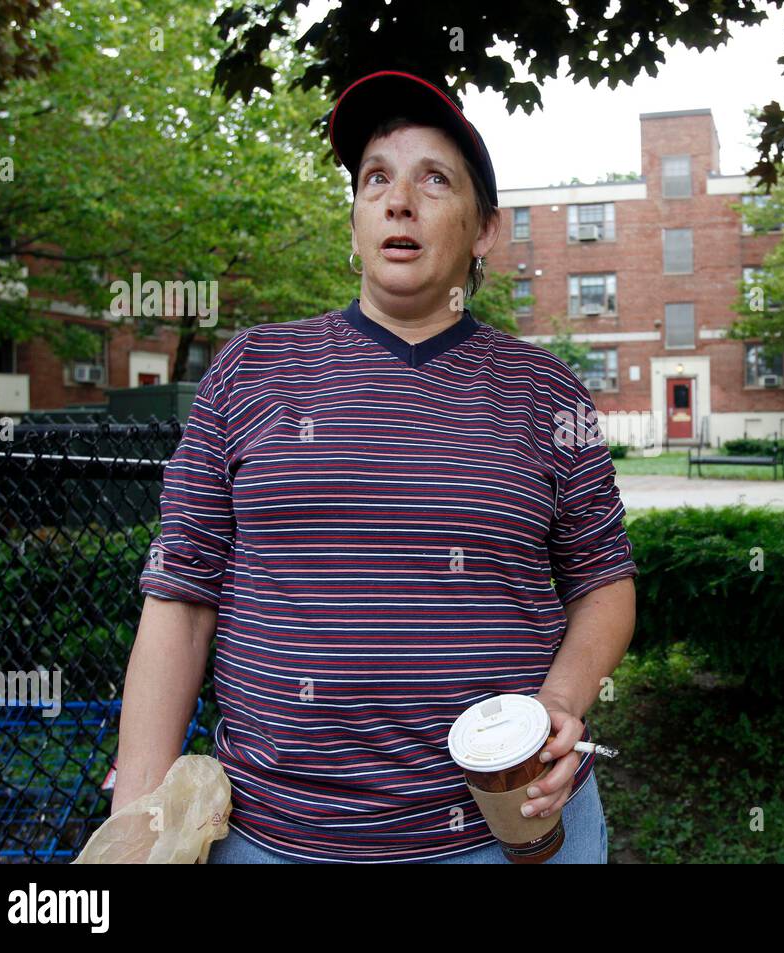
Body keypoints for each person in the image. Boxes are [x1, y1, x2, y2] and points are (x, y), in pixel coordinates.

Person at [114, 71, 638, 864]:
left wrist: (561, 699)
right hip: (269, 839)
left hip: (511, 836)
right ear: (355, 221)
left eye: (435, 179)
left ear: (485, 228)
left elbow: (604, 577)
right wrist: (136, 826)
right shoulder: (249, 370)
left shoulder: (547, 391)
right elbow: (180, 599)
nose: (400, 200)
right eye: (375, 179)